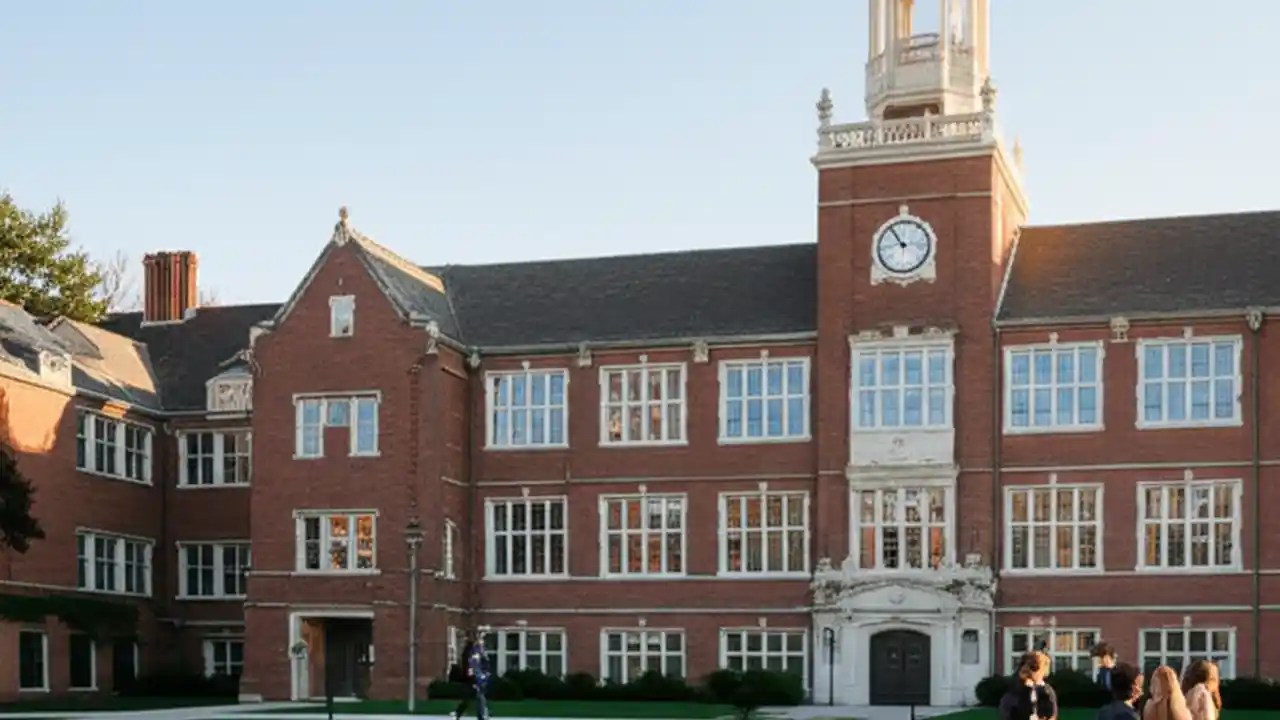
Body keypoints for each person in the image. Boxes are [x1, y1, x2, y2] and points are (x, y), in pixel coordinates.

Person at [999, 650, 1058, 720]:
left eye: (1034, 666)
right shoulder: (1013, 692)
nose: (1027, 669)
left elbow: (1050, 715)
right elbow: (1009, 713)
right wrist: (1027, 689)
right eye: (1023, 664)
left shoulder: (1046, 691)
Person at [451, 628, 491, 720]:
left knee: (478, 696)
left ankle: (480, 715)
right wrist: (471, 675)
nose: (481, 641)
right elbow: (468, 663)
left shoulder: (480, 650)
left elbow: (484, 663)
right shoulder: (470, 650)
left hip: (478, 677)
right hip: (472, 678)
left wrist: (485, 674)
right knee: (472, 697)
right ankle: (459, 713)